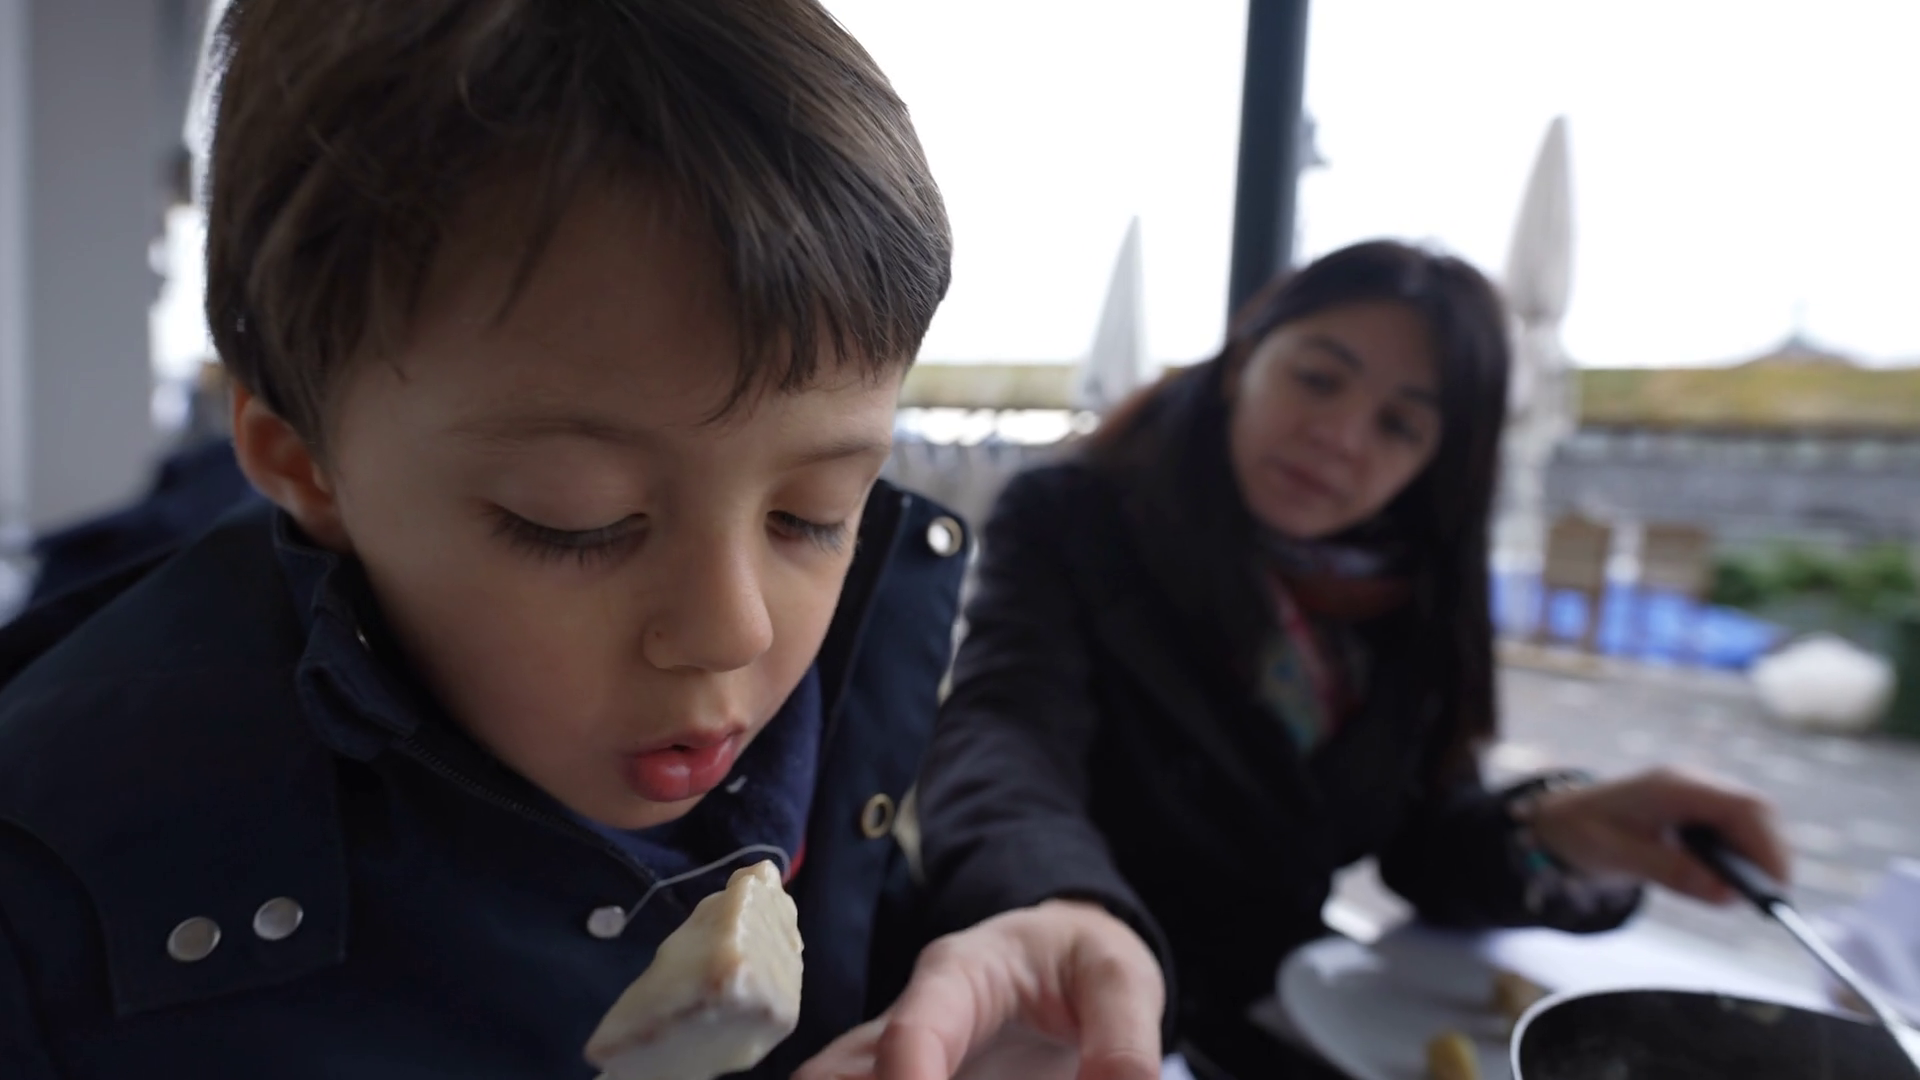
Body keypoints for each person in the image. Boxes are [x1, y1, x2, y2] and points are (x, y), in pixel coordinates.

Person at [0, 3, 1162, 1077]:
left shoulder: (815, 721)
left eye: (812, 511)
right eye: (579, 519)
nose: (732, 631)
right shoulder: (50, 909)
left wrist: (1020, 940)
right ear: (306, 458)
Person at [909, 241, 1794, 1079]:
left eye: (1400, 424)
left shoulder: (1413, 593)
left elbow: (1424, 844)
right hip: (1063, 1008)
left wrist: (1559, 833)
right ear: (1243, 360)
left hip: (1298, 1021)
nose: (1340, 435)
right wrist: (1058, 900)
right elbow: (1005, 732)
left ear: (1437, 461)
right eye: (1318, 378)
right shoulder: (1079, 518)